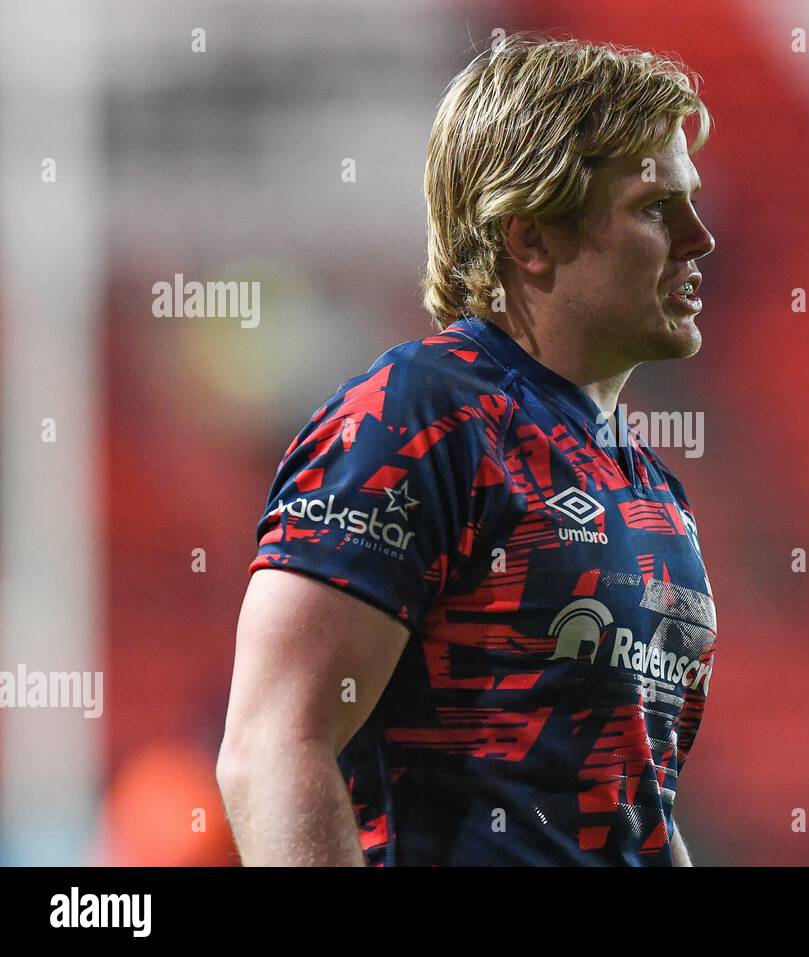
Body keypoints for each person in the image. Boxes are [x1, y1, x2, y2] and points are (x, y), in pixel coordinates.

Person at [216, 32, 718, 865]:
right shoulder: (419, 414)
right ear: (531, 239)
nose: (700, 238)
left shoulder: (653, 484)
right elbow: (274, 744)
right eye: (656, 207)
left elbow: (640, 809)